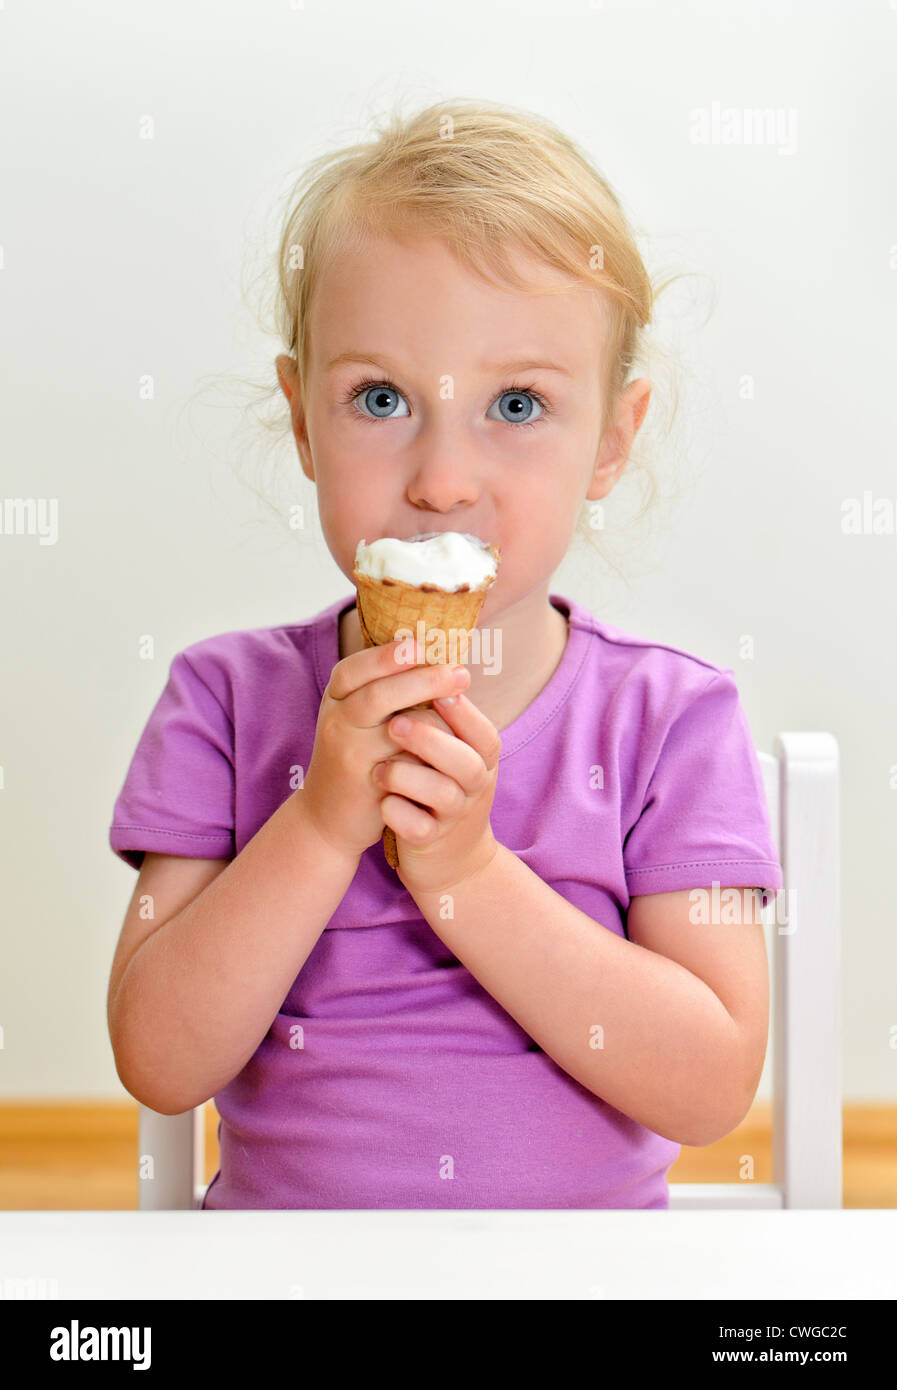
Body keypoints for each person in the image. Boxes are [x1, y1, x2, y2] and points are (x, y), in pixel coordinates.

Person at [107, 99, 782, 1210]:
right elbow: (160, 1059)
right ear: (303, 421)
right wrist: (322, 822)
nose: (442, 479)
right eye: (382, 399)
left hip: (578, 1286)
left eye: (517, 403)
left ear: (612, 439)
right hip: (289, 1282)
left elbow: (710, 1089)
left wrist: (466, 872)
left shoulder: (667, 721)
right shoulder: (224, 703)